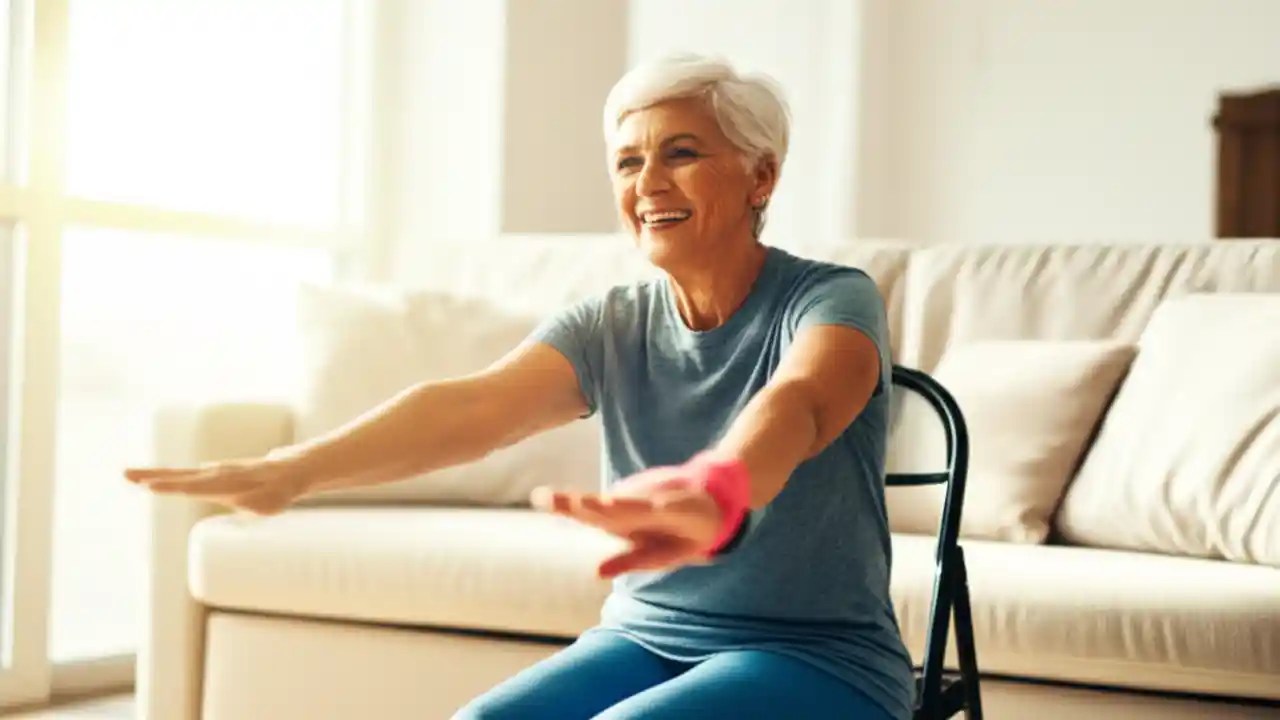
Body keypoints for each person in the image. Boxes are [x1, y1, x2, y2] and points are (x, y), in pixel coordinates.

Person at [125, 53, 915, 720]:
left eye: (681, 153)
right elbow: (474, 408)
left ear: (761, 175)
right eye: (628, 160)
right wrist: (293, 470)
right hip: (643, 633)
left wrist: (720, 487)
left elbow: (801, 403)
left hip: (820, 657)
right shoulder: (611, 321)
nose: (648, 183)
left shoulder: (832, 298)